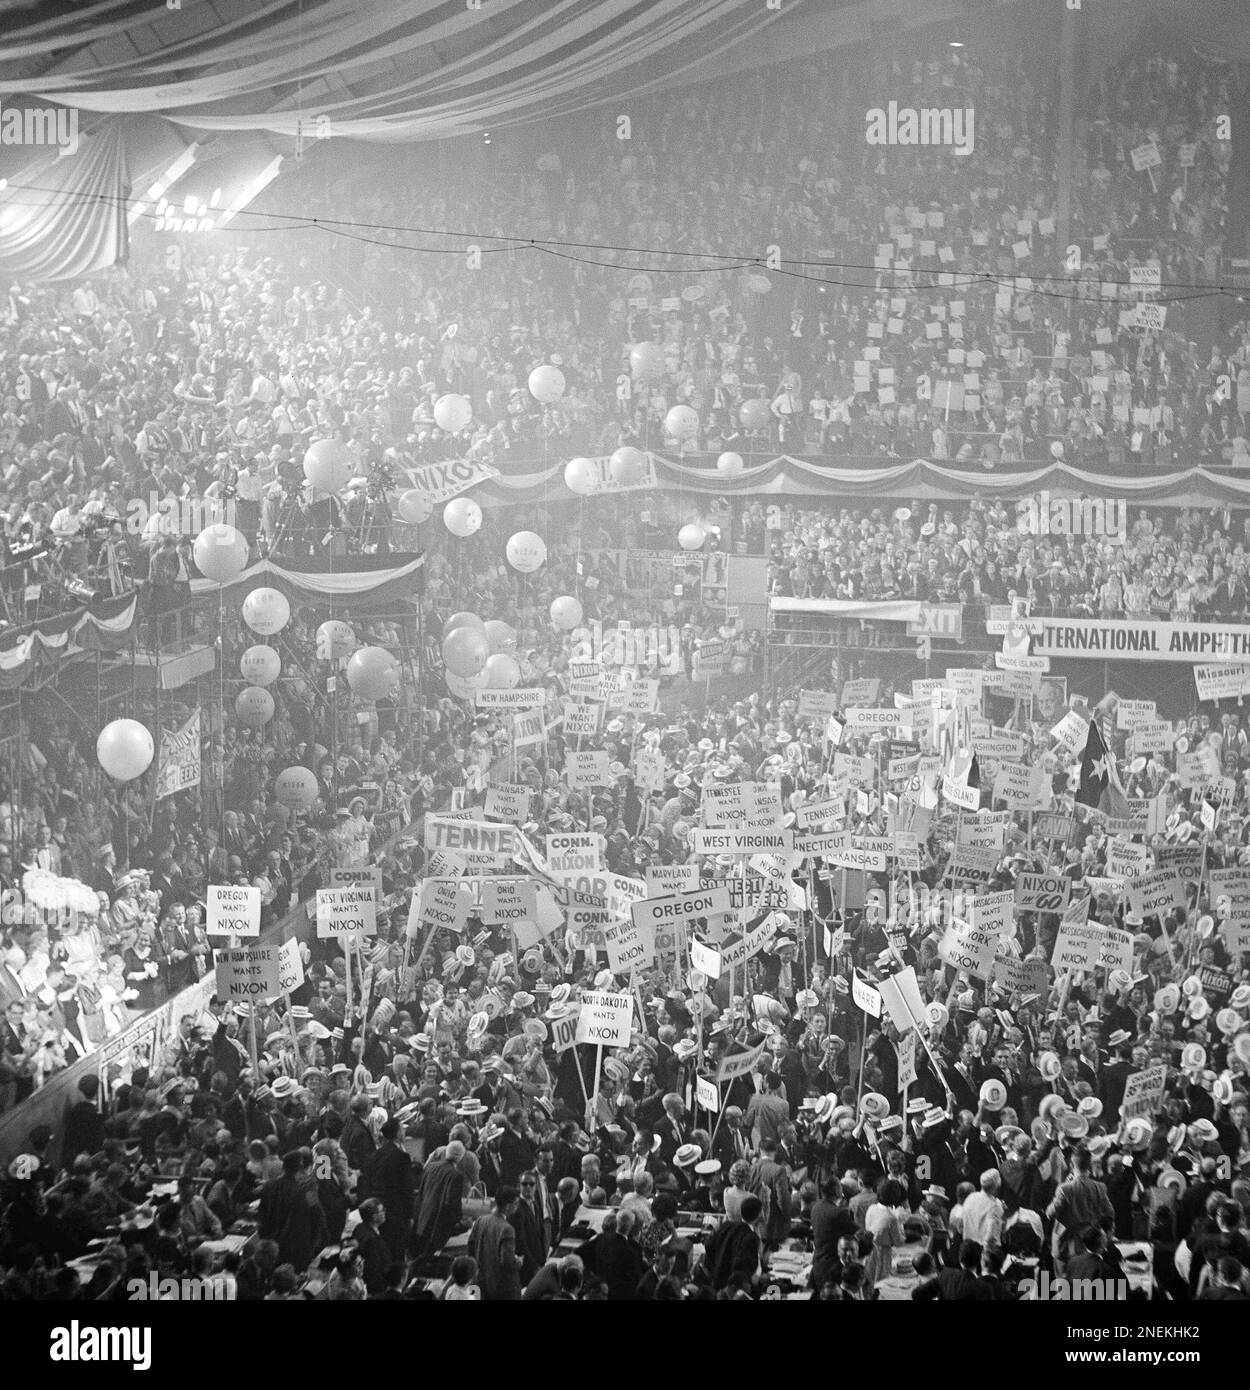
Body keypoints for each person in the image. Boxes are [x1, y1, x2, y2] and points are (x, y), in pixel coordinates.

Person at [467, 1186, 523, 1301]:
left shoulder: (480, 1220)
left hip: (480, 1282)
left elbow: (470, 1248)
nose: (517, 1207)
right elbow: (507, 1261)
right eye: (516, 1203)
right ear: (508, 1206)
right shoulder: (507, 1228)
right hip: (502, 1287)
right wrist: (518, 1261)